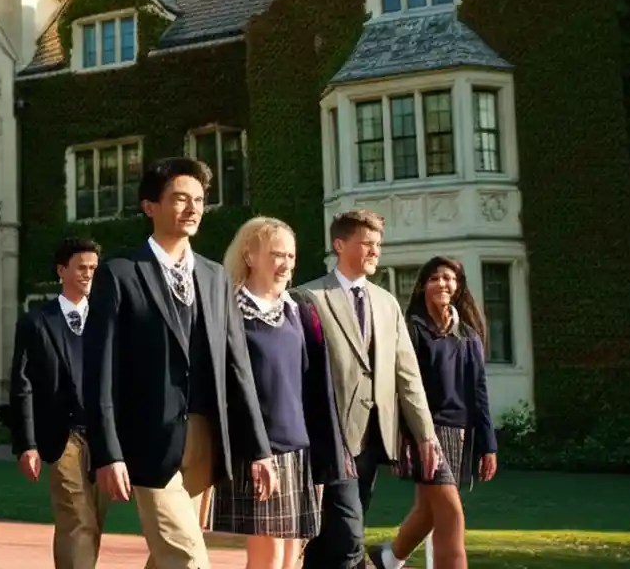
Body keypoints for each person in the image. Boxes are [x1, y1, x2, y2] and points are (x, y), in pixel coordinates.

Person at [84, 156, 278, 569]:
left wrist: (259, 449)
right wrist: (106, 452)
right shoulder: (119, 274)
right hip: (147, 442)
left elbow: (237, 366)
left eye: (199, 200)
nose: (192, 209)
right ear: (149, 206)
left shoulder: (214, 277)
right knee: (189, 560)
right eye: (179, 199)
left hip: (205, 441)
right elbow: (98, 372)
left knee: (166, 556)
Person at [296, 209, 438, 569]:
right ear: (339, 245)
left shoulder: (387, 303)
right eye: (367, 244)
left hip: (375, 438)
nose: (375, 251)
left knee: (329, 537)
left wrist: (425, 434)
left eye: (378, 244)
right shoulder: (307, 298)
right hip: (329, 437)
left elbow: (408, 374)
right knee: (349, 535)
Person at [204, 217, 346, 569]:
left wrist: (323, 459)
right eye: (276, 254)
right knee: (266, 562)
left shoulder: (300, 310)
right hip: (257, 450)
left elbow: (314, 386)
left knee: (290, 561)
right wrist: (255, 452)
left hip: (299, 450)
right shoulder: (229, 312)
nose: (285, 264)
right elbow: (226, 388)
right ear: (249, 255)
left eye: (291, 256)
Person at [371, 257, 498, 569]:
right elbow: (396, 387)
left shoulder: (468, 336)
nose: (443, 284)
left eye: (450, 278)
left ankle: (387, 559)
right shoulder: (411, 330)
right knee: (451, 513)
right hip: (423, 433)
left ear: (457, 287)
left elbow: (479, 393)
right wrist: (398, 437)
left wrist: (488, 444)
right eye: (435, 278)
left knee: (430, 512)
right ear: (424, 286)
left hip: (459, 432)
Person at [9, 237, 110, 569]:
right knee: (76, 516)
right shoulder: (35, 322)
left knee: (92, 522)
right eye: (81, 267)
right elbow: (22, 385)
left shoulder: (109, 319)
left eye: (93, 268)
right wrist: (27, 444)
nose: (88, 274)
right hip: (61, 436)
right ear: (61, 270)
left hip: (104, 437)